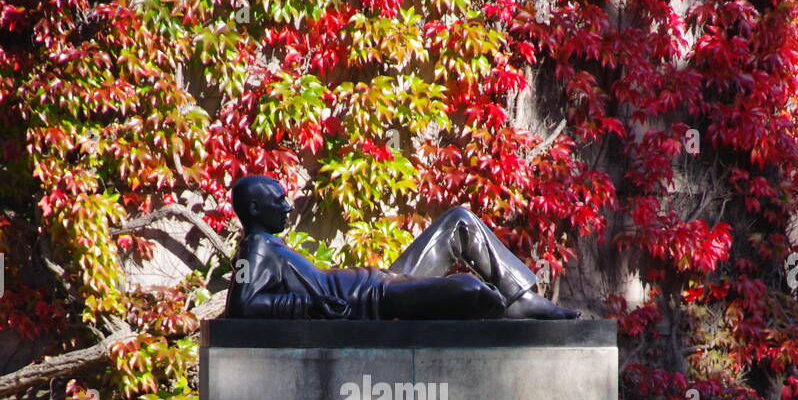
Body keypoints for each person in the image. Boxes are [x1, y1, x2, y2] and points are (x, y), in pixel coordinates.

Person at [224, 175, 580, 320]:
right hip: (374, 298)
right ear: (255, 208)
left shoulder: (267, 245)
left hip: (384, 282)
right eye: (280, 200)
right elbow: (243, 306)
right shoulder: (256, 247)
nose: (288, 207)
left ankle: (521, 300)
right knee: (469, 287)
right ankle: (507, 309)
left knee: (460, 221)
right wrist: (316, 305)